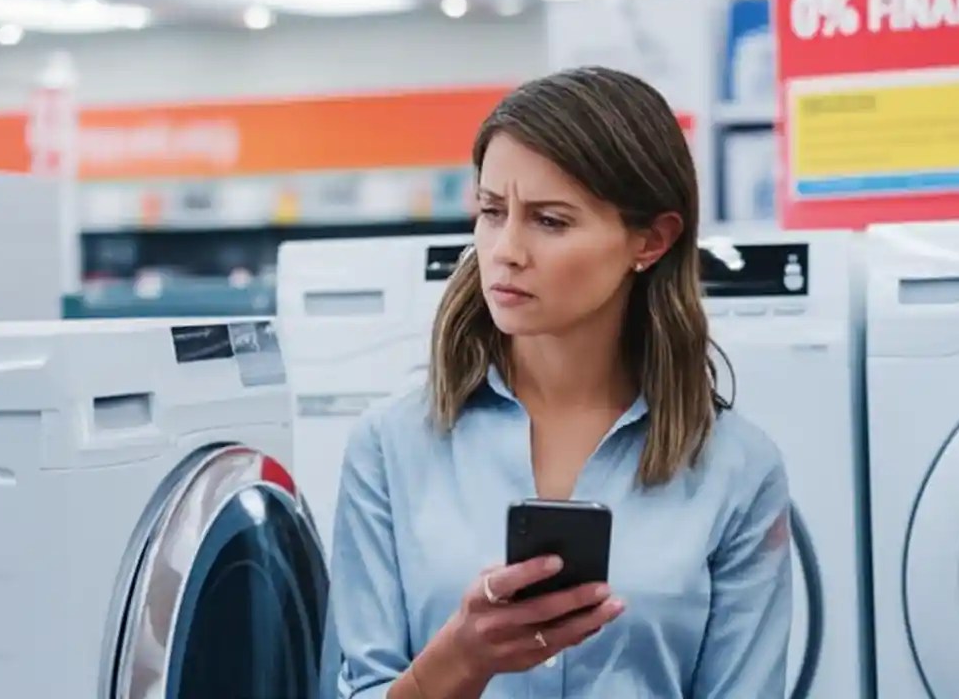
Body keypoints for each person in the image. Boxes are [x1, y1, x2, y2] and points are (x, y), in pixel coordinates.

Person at [325, 66, 792, 698]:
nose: (505, 249)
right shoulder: (390, 447)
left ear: (651, 240)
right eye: (492, 212)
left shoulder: (737, 468)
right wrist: (458, 661)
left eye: (550, 221)